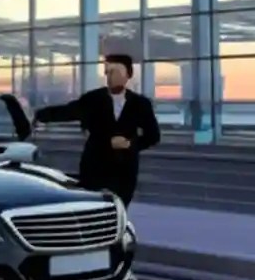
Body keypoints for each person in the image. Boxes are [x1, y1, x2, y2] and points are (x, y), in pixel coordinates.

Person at [32, 54, 160, 206]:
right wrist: (39, 115)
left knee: (118, 213)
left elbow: (153, 135)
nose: (110, 76)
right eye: (108, 72)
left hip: (124, 172)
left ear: (128, 75)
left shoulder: (141, 104)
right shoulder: (92, 99)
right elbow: (68, 111)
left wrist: (130, 144)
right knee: (91, 210)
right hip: (94, 168)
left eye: (116, 71)